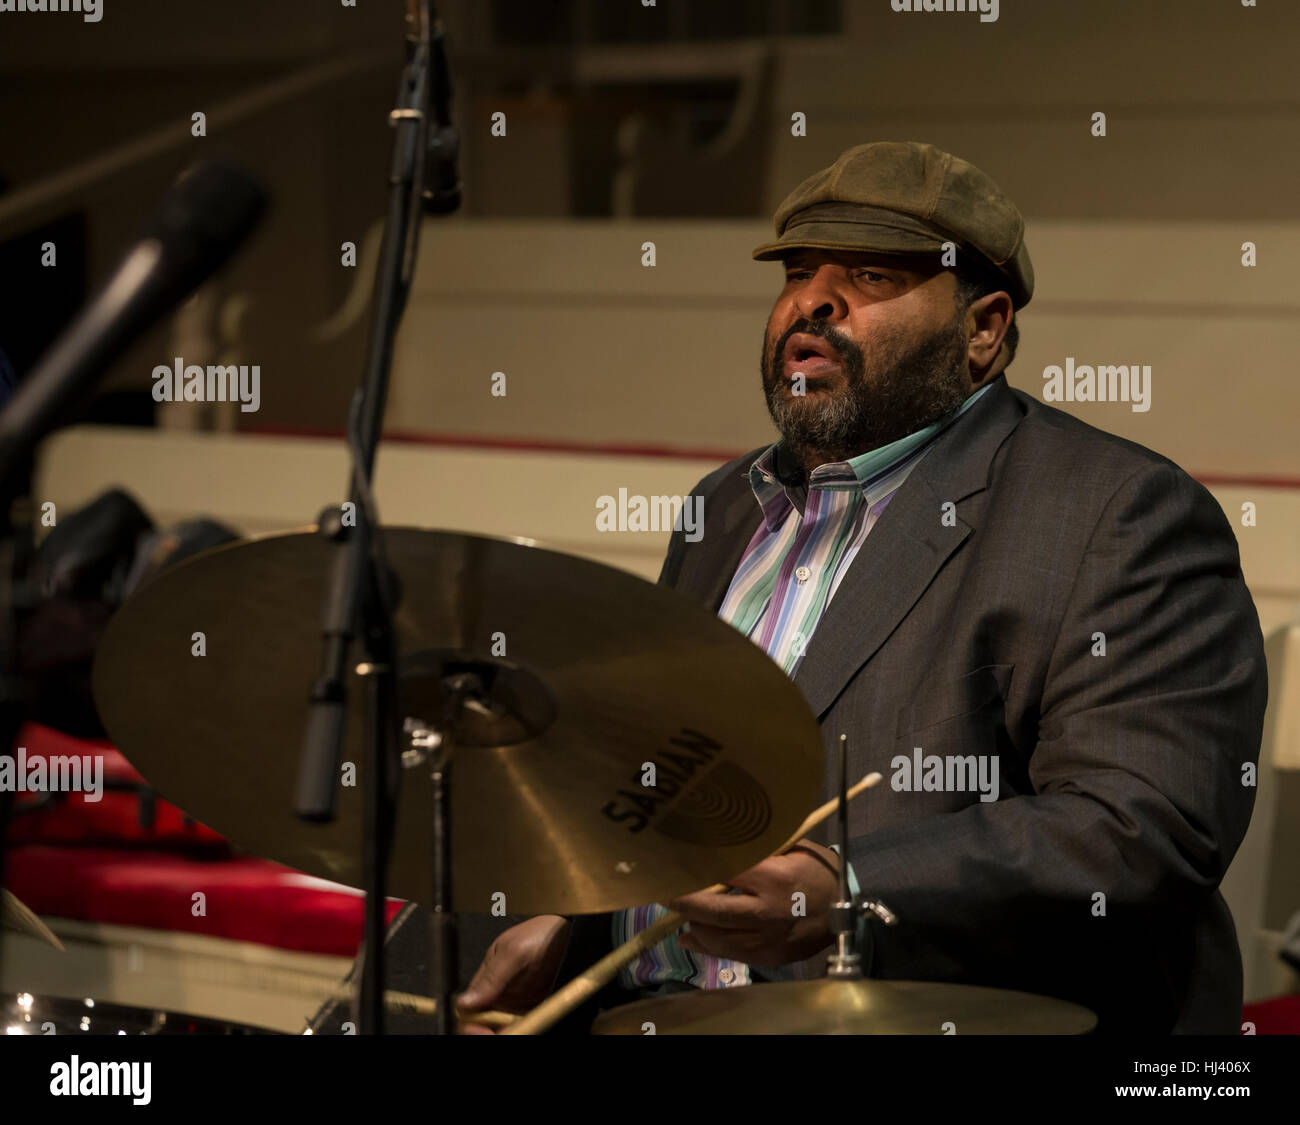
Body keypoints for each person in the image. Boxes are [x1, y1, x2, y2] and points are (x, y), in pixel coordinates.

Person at [459, 141, 1267, 1034]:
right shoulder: (725, 506)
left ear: (984, 328)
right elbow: (669, 786)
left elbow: (1139, 826)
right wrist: (576, 918)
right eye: (800, 272)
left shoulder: (1118, 511)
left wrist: (846, 891)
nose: (814, 300)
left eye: (872, 274)